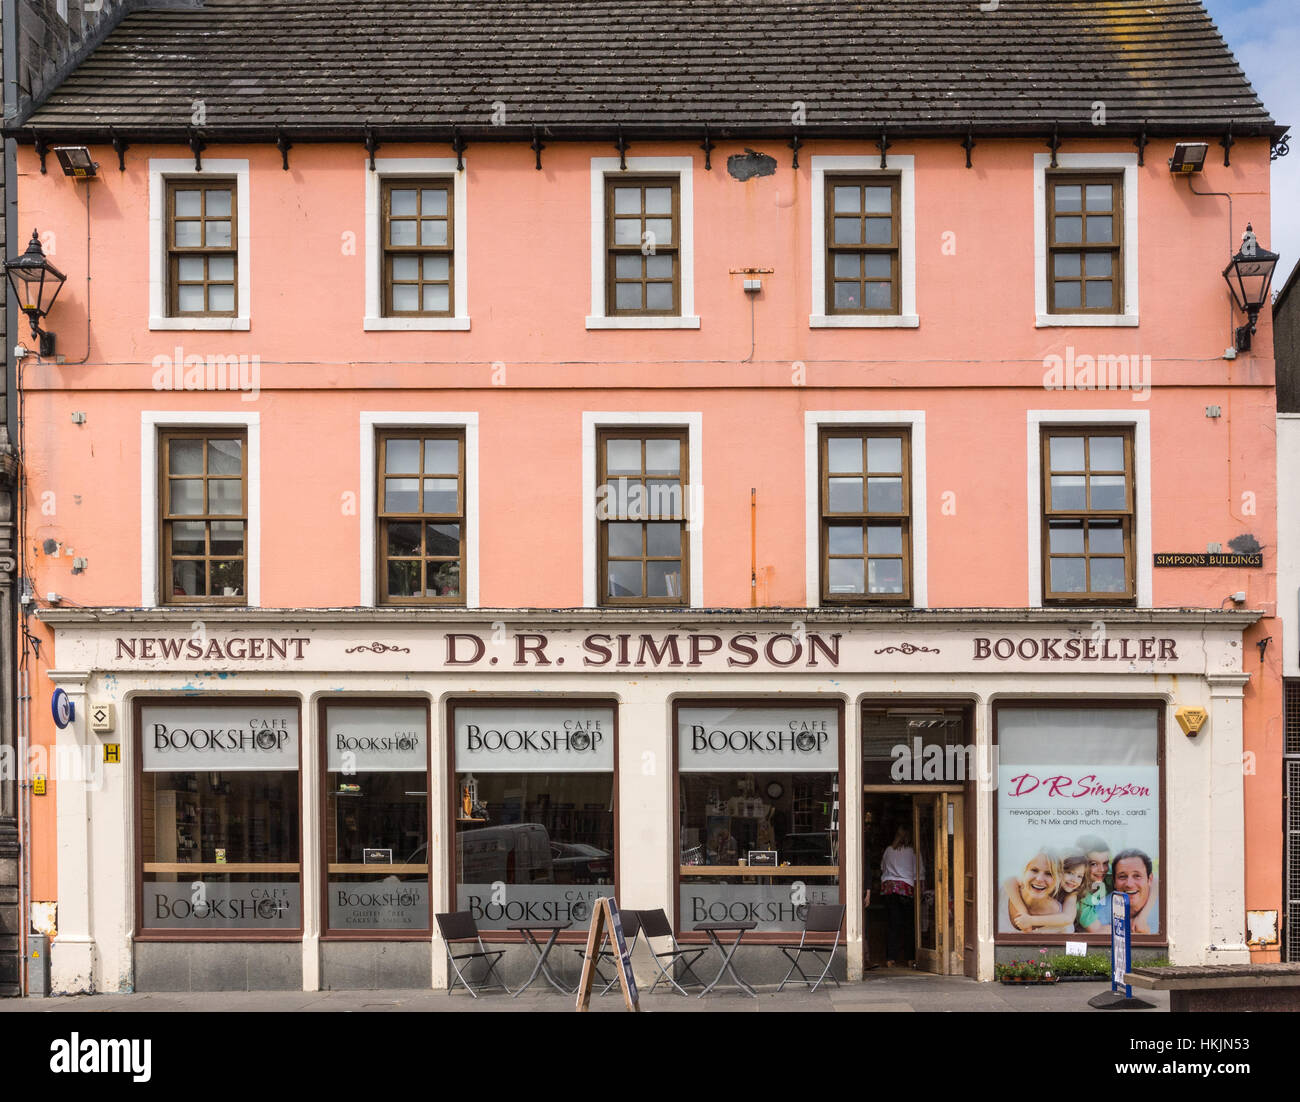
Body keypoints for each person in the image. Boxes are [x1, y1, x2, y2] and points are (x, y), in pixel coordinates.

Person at [1009, 851, 1087, 932]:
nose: (1074, 880)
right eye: (1070, 873)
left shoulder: (1071, 894)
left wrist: (1030, 920)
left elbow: (1068, 918)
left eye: (1080, 876)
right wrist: (1023, 912)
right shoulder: (1043, 882)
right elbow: (1010, 881)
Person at [880, 825, 919, 967]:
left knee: (892, 924)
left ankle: (891, 958)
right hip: (907, 889)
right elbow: (919, 872)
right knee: (909, 924)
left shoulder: (889, 850)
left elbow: (882, 867)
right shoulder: (913, 851)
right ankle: (910, 958)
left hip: (890, 890)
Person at [1004, 849, 1061, 932]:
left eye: (1049, 873)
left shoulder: (1062, 926)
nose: (1039, 879)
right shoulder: (1000, 893)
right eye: (1034, 870)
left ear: (1058, 879)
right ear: (1024, 872)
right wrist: (1024, 912)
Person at [1112, 849, 1157, 934]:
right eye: (1122, 876)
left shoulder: (1164, 910)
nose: (1129, 884)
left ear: (1149, 879)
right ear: (1114, 882)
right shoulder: (1101, 913)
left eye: (1137, 876)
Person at [1076, 836, 1112, 932]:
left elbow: (1154, 882)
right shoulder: (1078, 896)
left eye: (1105, 863)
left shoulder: (1109, 873)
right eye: (1093, 864)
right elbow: (1098, 929)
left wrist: (1142, 917)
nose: (1102, 869)